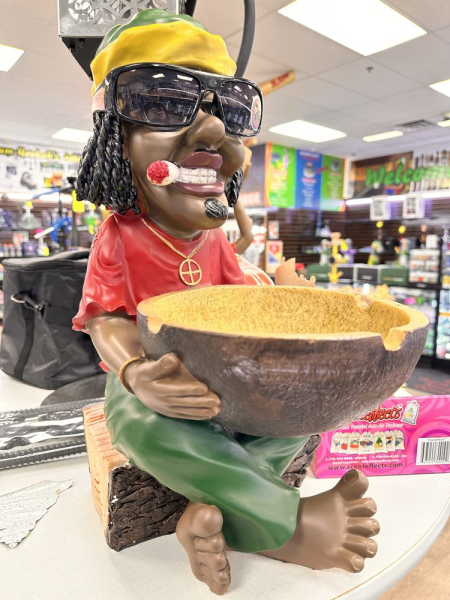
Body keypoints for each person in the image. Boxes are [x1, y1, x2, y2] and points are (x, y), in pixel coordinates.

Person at [73, 9, 378, 596]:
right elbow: (104, 319)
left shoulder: (211, 240)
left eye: (231, 111)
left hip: (228, 380)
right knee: (150, 430)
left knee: (299, 412)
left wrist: (282, 295)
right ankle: (287, 528)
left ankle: (220, 518)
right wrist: (135, 373)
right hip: (158, 385)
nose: (213, 129)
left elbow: (243, 295)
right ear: (115, 141)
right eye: (165, 103)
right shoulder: (121, 236)